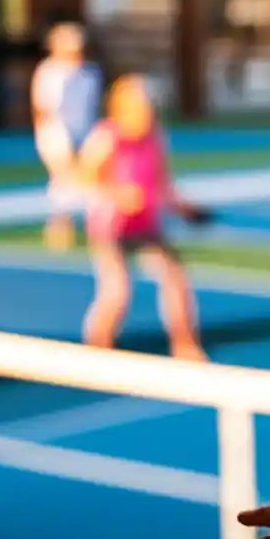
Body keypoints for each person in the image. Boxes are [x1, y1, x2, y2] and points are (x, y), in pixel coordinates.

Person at [76, 75, 205, 361]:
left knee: (175, 278)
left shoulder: (155, 138)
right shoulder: (106, 138)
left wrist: (186, 208)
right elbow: (84, 179)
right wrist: (119, 195)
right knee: (117, 289)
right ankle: (97, 346)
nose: (146, 114)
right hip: (111, 228)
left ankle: (185, 343)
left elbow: (162, 183)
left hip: (146, 225)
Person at [32, 22, 103, 252]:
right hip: (57, 134)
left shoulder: (91, 73)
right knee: (64, 178)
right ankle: (60, 224)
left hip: (85, 132)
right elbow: (44, 110)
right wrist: (60, 140)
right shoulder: (49, 73)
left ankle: (92, 226)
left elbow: (93, 108)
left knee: (90, 180)